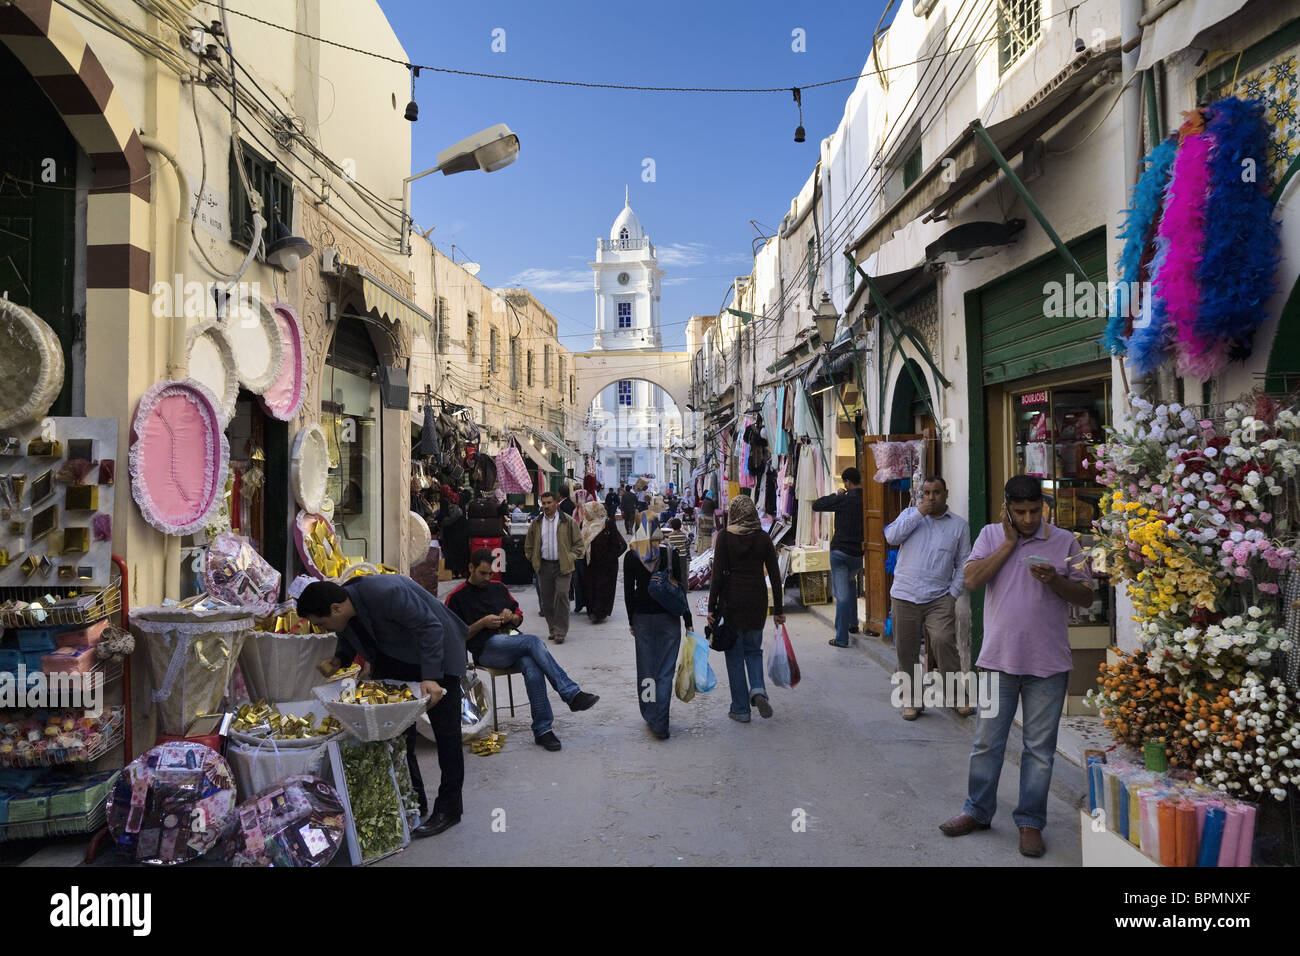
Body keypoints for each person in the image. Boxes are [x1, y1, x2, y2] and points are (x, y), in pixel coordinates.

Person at [939, 475, 1094, 858]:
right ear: (1007, 507)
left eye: (1034, 510)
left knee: (1039, 750)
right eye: (1020, 511)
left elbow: (1087, 596)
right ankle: (976, 810)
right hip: (998, 661)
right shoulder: (992, 535)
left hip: (1049, 663)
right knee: (986, 742)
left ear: (1044, 506)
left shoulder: (1065, 541)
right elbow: (971, 579)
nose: (1028, 519)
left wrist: (1055, 579)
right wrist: (1009, 544)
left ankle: (1030, 823)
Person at [299, 575, 466, 838]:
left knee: (447, 735)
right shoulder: (344, 602)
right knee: (397, 733)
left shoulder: (386, 592)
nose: (322, 629)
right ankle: (413, 799)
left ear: (335, 608)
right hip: (396, 657)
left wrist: (431, 676)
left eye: (322, 623)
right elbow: (350, 631)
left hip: (437, 654)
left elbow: (430, 627)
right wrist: (340, 658)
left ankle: (449, 808)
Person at [446, 549, 599, 751]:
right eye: (483, 573)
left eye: (490, 573)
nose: (487, 578)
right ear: (471, 568)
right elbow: (455, 638)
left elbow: (519, 617)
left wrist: (511, 617)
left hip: (511, 641)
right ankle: (570, 693)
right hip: (486, 650)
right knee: (533, 642)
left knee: (532, 665)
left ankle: (543, 729)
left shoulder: (498, 588)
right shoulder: (456, 597)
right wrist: (482, 623)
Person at [883, 476, 972, 720]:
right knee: (906, 650)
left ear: (946, 493)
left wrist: (953, 594)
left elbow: (964, 561)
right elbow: (891, 537)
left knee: (943, 641)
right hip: (904, 595)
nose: (931, 497)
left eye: (936, 492)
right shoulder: (910, 515)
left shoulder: (958, 525)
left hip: (939, 597)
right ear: (921, 494)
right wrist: (919, 512)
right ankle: (912, 700)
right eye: (927, 493)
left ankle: (956, 696)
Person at [708, 495, 785, 723]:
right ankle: (758, 690)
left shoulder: (724, 538)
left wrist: (712, 607)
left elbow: (717, 575)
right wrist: (779, 609)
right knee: (753, 650)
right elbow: (774, 574)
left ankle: (740, 709)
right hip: (757, 602)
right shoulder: (763, 538)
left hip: (732, 603)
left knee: (734, 655)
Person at [623, 518, 694, 739]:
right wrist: (687, 619)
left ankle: (650, 714)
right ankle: (661, 722)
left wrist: (631, 621)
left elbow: (628, 592)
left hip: (643, 619)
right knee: (664, 672)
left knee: (647, 672)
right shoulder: (669, 552)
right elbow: (680, 587)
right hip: (668, 619)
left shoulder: (631, 555)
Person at [813, 467, 864, 648]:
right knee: (851, 583)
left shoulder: (843, 499)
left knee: (841, 596)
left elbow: (817, 505)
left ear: (847, 482)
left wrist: (837, 493)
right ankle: (852, 623)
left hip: (840, 553)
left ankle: (842, 638)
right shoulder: (867, 499)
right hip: (858, 555)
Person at [525, 490, 585, 644]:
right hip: (544, 566)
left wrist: (570, 556)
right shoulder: (536, 523)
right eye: (543, 503)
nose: (546, 506)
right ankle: (552, 628)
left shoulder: (568, 521)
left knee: (562, 596)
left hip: (563, 566)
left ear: (556, 504)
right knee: (546, 601)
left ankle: (560, 631)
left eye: (549, 503)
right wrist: (533, 559)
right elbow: (529, 545)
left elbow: (579, 545)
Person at [582, 499, 626, 623]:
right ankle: (591, 610)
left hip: (606, 564)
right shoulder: (584, 524)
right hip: (590, 563)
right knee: (590, 586)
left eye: (587, 511)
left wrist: (610, 557)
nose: (585, 514)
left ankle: (600, 612)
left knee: (604, 587)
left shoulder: (607, 523)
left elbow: (619, 544)